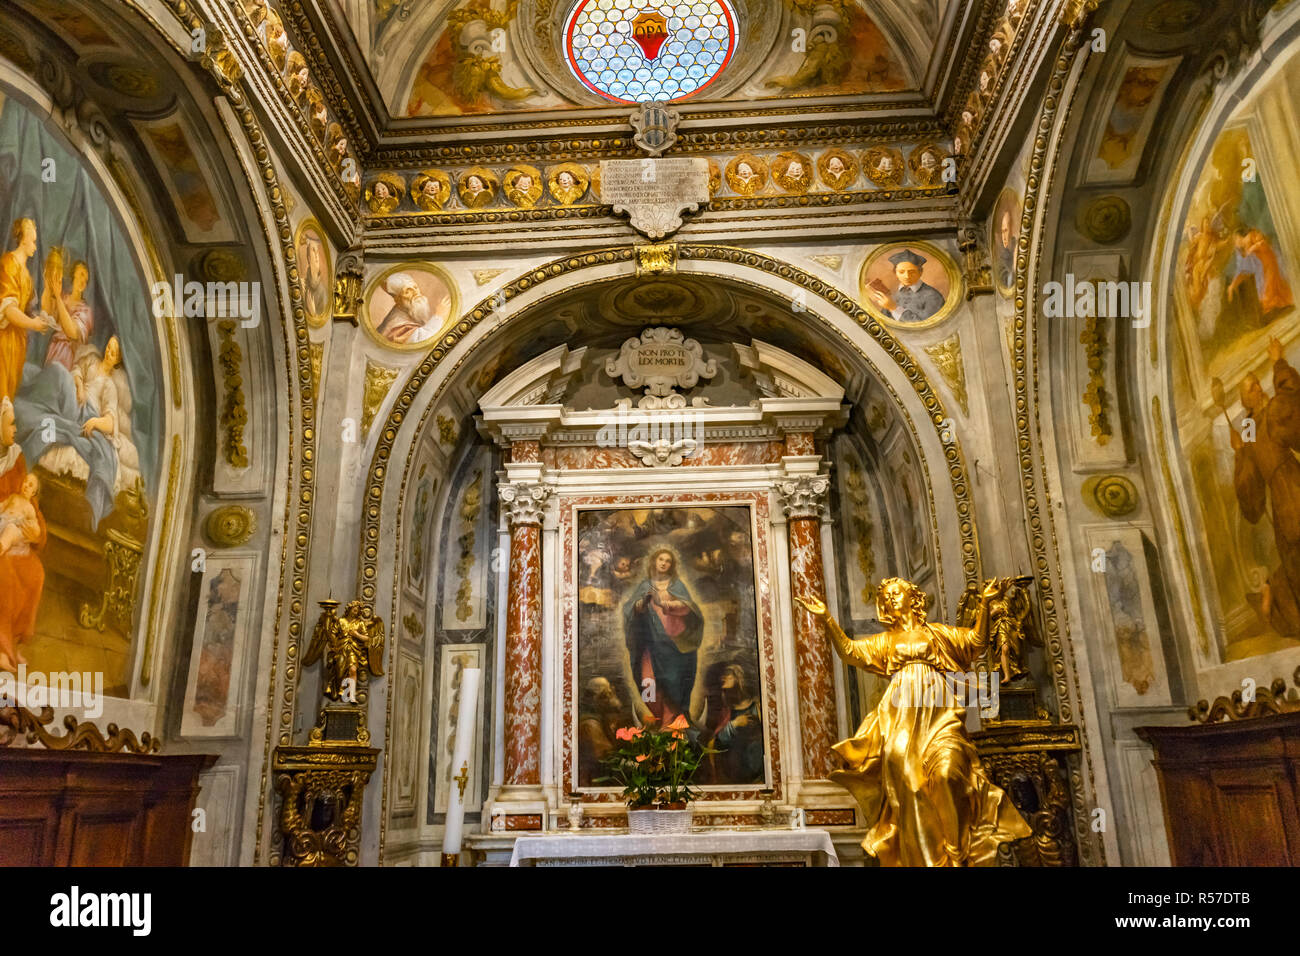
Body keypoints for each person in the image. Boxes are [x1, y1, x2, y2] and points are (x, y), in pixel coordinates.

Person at [797, 579, 1031, 866]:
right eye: (886, 597)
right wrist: (827, 619)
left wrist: (984, 603)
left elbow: (976, 644)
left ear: (913, 598)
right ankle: (921, 860)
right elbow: (850, 652)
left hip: (941, 720)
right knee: (909, 785)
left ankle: (955, 855)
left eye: (896, 593)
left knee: (946, 774)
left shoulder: (936, 634)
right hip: (902, 723)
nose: (890, 599)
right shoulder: (886, 641)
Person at [1231, 336, 1300, 635]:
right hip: (1292, 488)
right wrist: (1278, 362)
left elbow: (1249, 478)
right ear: (1245, 400)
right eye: (1252, 387)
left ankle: (1276, 596)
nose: (1259, 387)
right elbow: (1292, 393)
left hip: (1284, 497)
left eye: (1258, 383)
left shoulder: (1253, 424)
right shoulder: (1267, 415)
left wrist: (1240, 452)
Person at [622, 547, 704, 727]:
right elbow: (630, 610)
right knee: (648, 683)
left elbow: (689, 609)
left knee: (673, 683)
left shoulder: (677, 585)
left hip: (675, 646)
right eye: (661, 559)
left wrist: (663, 603)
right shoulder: (645, 586)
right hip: (650, 645)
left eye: (668, 561)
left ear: (672, 565)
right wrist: (641, 603)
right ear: (654, 561)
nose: (664, 563)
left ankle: (673, 724)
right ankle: (658, 718)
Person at [0, 398, 44, 673]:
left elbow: (30, 502)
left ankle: (12, 645)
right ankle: (2, 650)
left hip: (11, 530)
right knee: (6, 578)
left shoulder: (17, 458)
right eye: (11, 423)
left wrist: (36, 533)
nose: (16, 428)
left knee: (35, 573)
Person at [1, 218, 53, 403]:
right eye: (33, 241)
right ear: (23, 239)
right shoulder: (9, 263)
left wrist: (40, 319)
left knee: (10, 394)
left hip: (19, 343)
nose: (35, 247)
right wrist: (33, 324)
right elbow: (9, 310)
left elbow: (28, 311)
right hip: (5, 342)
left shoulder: (27, 276)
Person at [706, 664, 763, 783]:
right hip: (733, 770)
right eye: (722, 675)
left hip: (755, 769)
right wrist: (734, 724)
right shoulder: (726, 711)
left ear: (738, 679)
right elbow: (717, 741)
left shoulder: (756, 707)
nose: (723, 677)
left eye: (728, 675)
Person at [866, 249, 946, 323]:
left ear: (920, 272)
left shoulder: (933, 296)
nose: (907, 276)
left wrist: (894, 308)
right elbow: (884, 323)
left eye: (912, 272)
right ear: (895, 273)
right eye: (901, 272)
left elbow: (926, 326)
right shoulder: (894, 295)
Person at [44, 256, 95, 370]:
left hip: (69, 356)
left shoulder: (86, 311)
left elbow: (71, 331)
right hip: (53, 350)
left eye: (86, 280)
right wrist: (48, 284)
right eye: (81, 274)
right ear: (74, 274)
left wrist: (57, 297)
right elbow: (47, 314)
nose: (83, 281)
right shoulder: (63, 298)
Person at [375, 272, 449, 345]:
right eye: (407, 292)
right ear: (397, 299)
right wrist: (439, 316)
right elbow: (420, 339)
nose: (415, 292)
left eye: (415, 287)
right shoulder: (396, 323)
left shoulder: (413, 309)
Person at [578, 676, 625, 786]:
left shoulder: (602, 722)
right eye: (607, 694)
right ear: (597, 700)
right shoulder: (590, 726)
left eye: (610, 693)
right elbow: (606, 760)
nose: (611, 697)